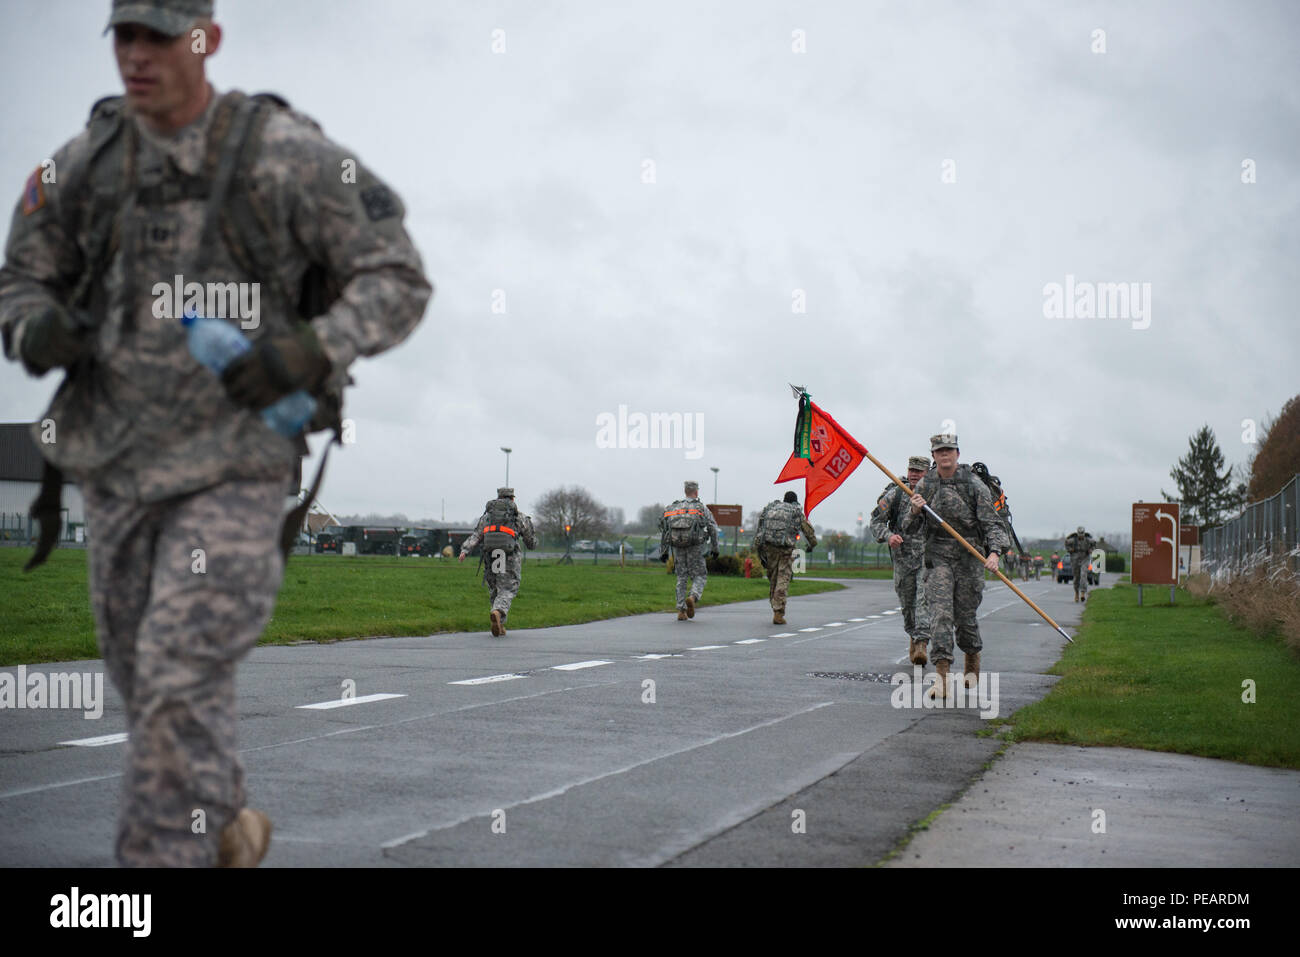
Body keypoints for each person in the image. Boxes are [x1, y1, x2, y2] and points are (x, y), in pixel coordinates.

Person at [0, 0, 432, 866]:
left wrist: (311, 349)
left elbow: (396, 276)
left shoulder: (283, 155)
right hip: (116, 469)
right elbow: (19, 279)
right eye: (125, 36)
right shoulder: (82, 166)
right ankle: (227, 823)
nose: (138, 54)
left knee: (175, 674)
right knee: (150, 688)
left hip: (237, 467)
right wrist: (37, 327)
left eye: (159, 36)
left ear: (207, 40)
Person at [902, 434, 1009, 700]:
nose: (944, 455)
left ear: (957, 454)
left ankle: (972, 656)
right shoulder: (926, 484)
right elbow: (909, 528)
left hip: (969, 557)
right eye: (939, 451)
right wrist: (915, 511)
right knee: (940, 615)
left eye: (949, 450)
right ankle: (942, 677)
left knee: (965, 618)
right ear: (934, 456)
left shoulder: (973, 484)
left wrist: (994, 553)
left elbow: (992, 524)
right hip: (938, 556)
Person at [868, 455, 931, 664]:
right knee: (907, 604)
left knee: (923, 600)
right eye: (912, 470)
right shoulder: (895, 494)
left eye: (919, 471)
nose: (914, 474)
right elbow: (875, 522)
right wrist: (888, 536)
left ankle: (921, 643)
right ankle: (914, 635)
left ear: (927, 473)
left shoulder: (935, 495)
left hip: (928, 559)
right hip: (903, 559)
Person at [459, 488, 537, 636]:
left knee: (494, 588)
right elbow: (530, 541)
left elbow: (476, 534)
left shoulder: (487, 517)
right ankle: (498, 611)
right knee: (508, 588)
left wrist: (465, 550)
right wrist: (532, 543)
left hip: (490, 556)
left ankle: (499, 624)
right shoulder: (518, 516)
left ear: (498, 497)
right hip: (509, 556)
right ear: (512, 499)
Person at [753, 490, 817, 625]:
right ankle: (778, 612)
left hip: (769, 547)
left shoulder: (772, 508)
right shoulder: (795, 511)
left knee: (773, 578)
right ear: (795, 501)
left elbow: (760, 529)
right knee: (783, 578)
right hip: (786, 549)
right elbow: (808, 531)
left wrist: (760, 550)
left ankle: (774, 606)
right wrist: (812, 544)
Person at [659, 480, 719, 620]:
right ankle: (693, 597)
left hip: (677, 546)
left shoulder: (673, 507)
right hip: (695, 546)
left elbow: (665, 529)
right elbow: (712, 528)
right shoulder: (701, 508)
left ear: (685, 491)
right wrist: (715, 548)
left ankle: (681, 611)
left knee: (681, 577)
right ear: (696, 492)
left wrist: (664, 551)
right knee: (700, 575)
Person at [1064, 525, 1096, 602]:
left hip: (1085, 558)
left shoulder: (1088, 540)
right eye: (1079, 533)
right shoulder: (1073, 540)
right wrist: (1070, 549)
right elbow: (1066, 542)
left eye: (1082, 533)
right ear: (1077, 533)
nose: (1081, 535)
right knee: (1076, 577)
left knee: (1083, 575)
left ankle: (1082, 593)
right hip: (1075, 559)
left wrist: (1091, 550)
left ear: (1084, 533)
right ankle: (1076, 593)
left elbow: (1094, 543)